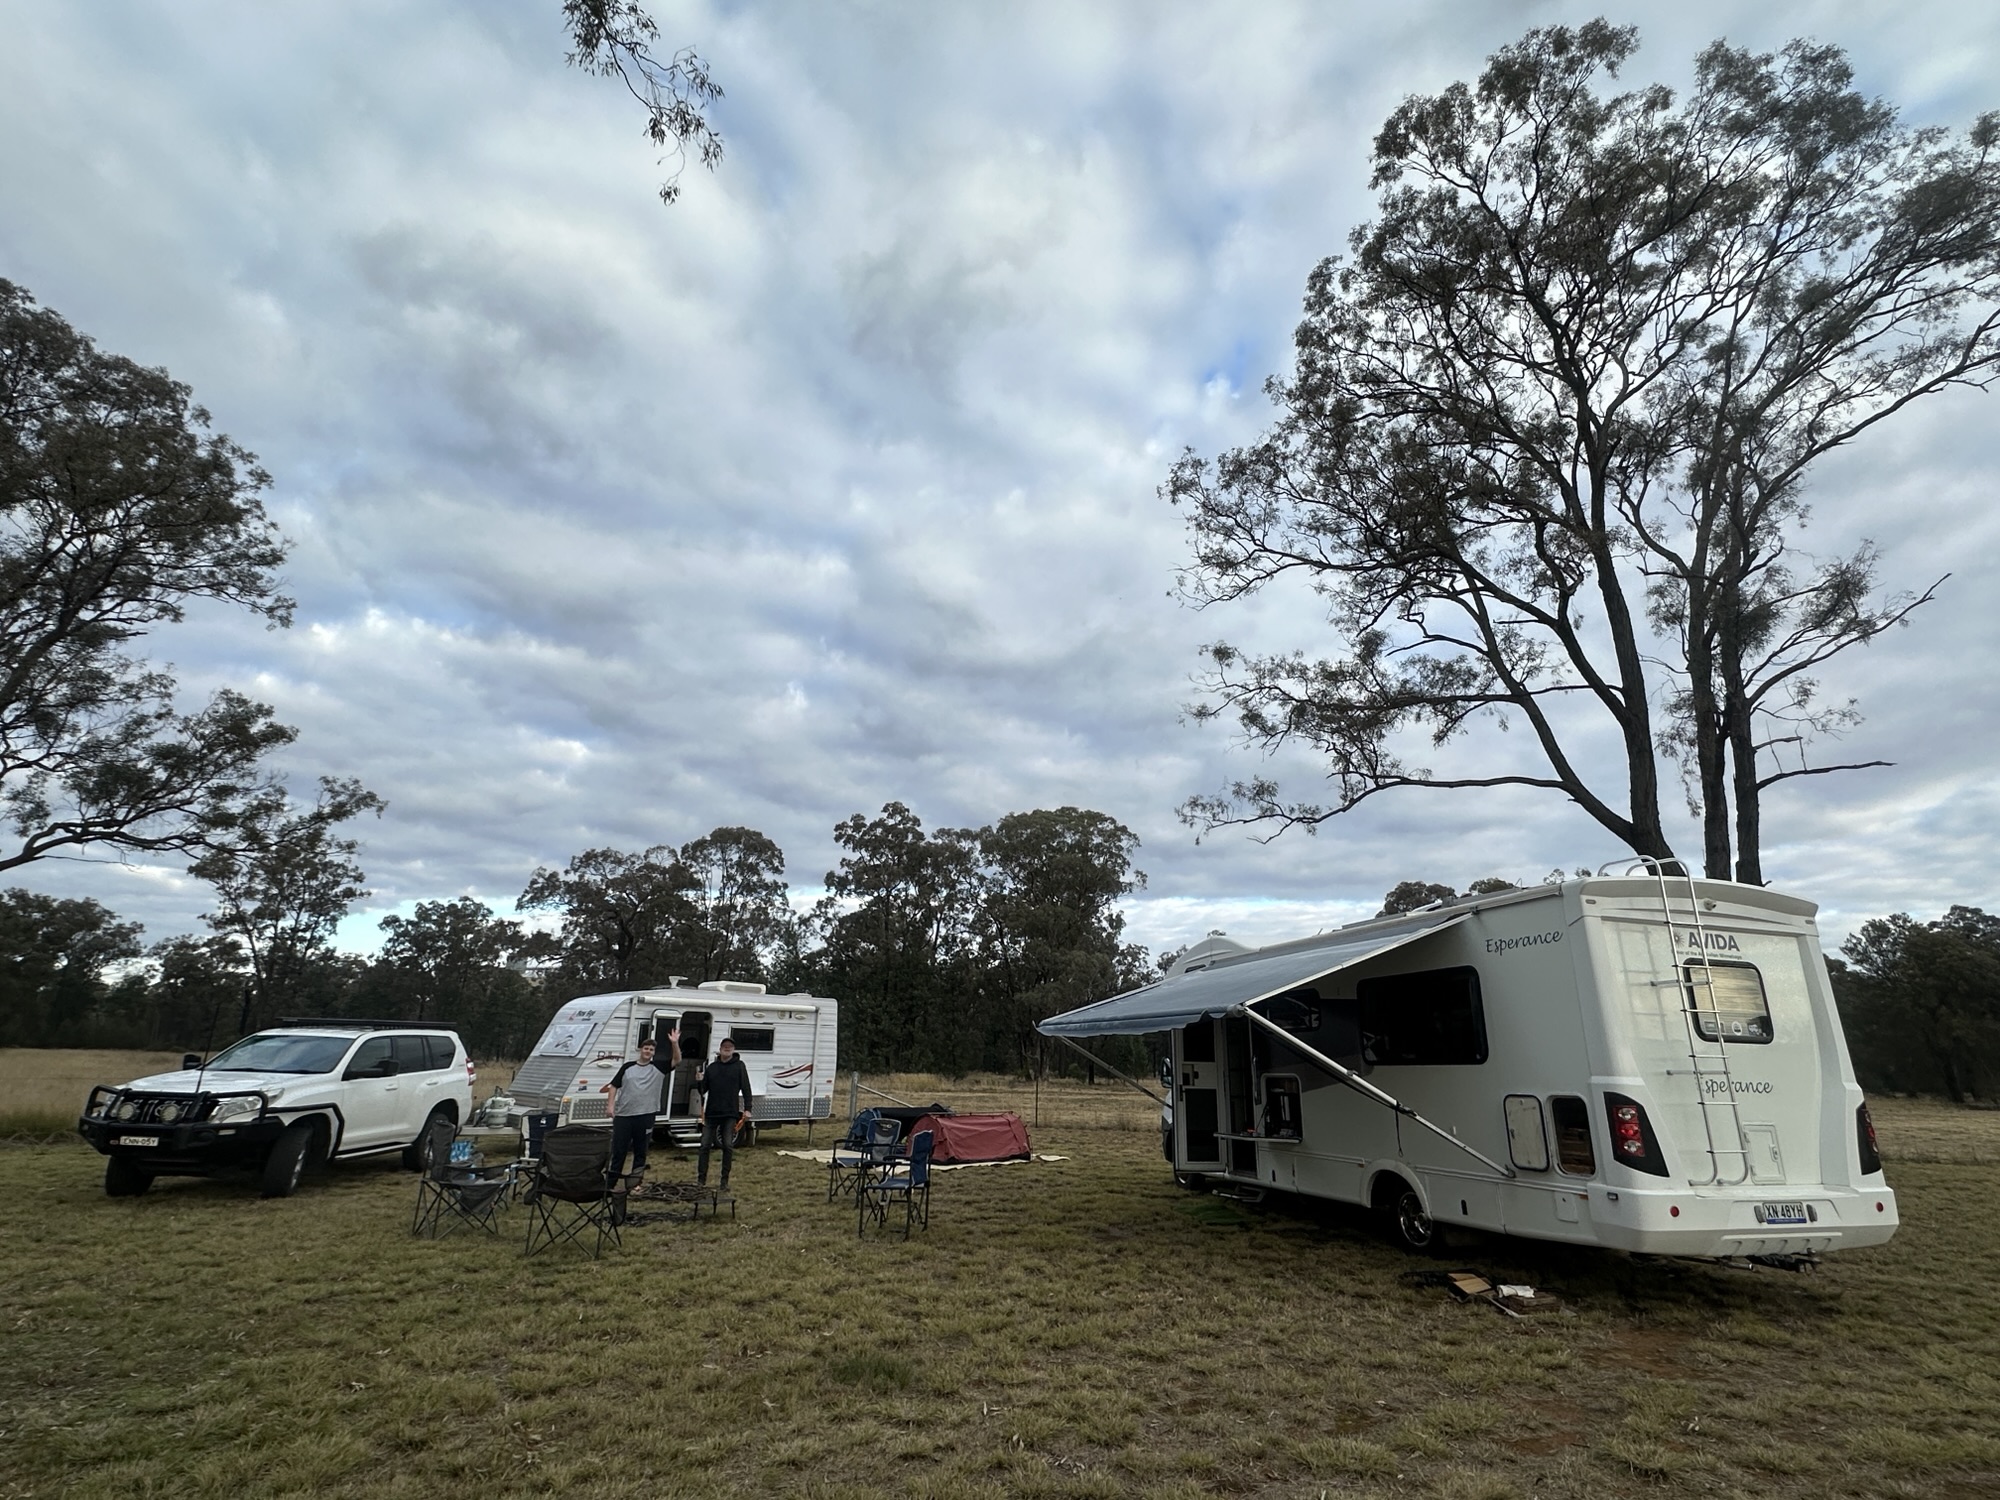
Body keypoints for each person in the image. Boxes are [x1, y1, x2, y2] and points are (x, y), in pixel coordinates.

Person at [602, 1027, 679, 1182]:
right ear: (640, 1050)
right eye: (646, 1048)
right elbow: (614, 1086)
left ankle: (635, 1183)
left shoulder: (658, 1067)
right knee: (619, 1150)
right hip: (624, 1116)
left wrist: (674, 1044)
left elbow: (677, 1060)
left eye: (651, 1049)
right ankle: (611, 1183)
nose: (648, 1051)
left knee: (640, 1151)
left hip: (645, 1115)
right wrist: (610, 1106)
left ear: (653, 1053)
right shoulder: (627, 1067)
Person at [695, 1035, 753, 1190]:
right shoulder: (712, 1068)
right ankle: (701, 1181)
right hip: (712, 1113)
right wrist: (699, 1081)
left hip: (730, 1113)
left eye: (730, 1046)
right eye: (724, 1046)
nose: (727, 1048)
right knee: (704, 1146)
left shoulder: (739, 1066)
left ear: (733, 1050)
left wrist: (748, 1108)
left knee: (727, 1146)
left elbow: (746, 1088)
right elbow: (703, 1090)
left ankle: (724, 1182)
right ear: (720, 1049)